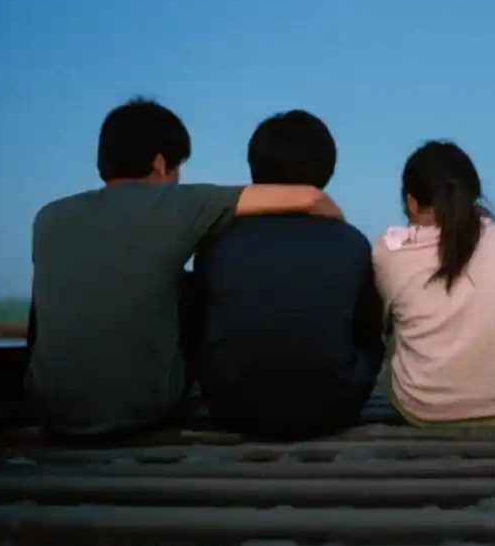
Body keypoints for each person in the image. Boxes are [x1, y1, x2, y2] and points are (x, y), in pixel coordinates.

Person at [26, 98, 341, 436]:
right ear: (161, 164)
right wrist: (339, 234)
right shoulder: (178, 202)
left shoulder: (49, 216)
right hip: (146, 407)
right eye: (178, 168)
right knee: (193, 285)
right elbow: (308, 196)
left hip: (49, 407)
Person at [196, 110, 383, 439]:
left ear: (255, 168)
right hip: (332, 407)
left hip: (232, 407)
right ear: (327, 169)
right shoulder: (351, 243)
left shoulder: (216, 242)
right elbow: (367, 333)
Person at [373, 141, 495, 426]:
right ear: (474, 196)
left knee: (396, 341)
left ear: (411, 202)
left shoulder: (390, 251)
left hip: (426, 411)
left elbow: (380, 324)